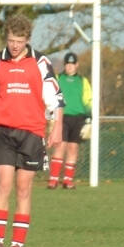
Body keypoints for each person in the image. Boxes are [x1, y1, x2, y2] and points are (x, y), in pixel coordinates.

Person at [0, 14, 63, 247]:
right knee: (4, 184)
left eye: (19, 40)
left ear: (27, 39)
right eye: (11, 40)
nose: (14, 45)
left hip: (32, 132)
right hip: (5, 131)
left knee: (24, 188)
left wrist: (56, 126)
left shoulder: (40, 62)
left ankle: (17, 245)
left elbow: (55, 99)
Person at [48, 52, 91, 189]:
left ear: (77, 65)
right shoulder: (58, 78)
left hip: (79, 118)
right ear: (64, 65)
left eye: (72, 64)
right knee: (60, 146)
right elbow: (50, 96)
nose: (70, 66)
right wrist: (50, 116)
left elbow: (88, 99)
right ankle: (53, 180)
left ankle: (68, 181)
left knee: (73, 148)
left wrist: (89, 117)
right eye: (67, 64)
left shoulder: (83, 81)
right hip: (62, 117)